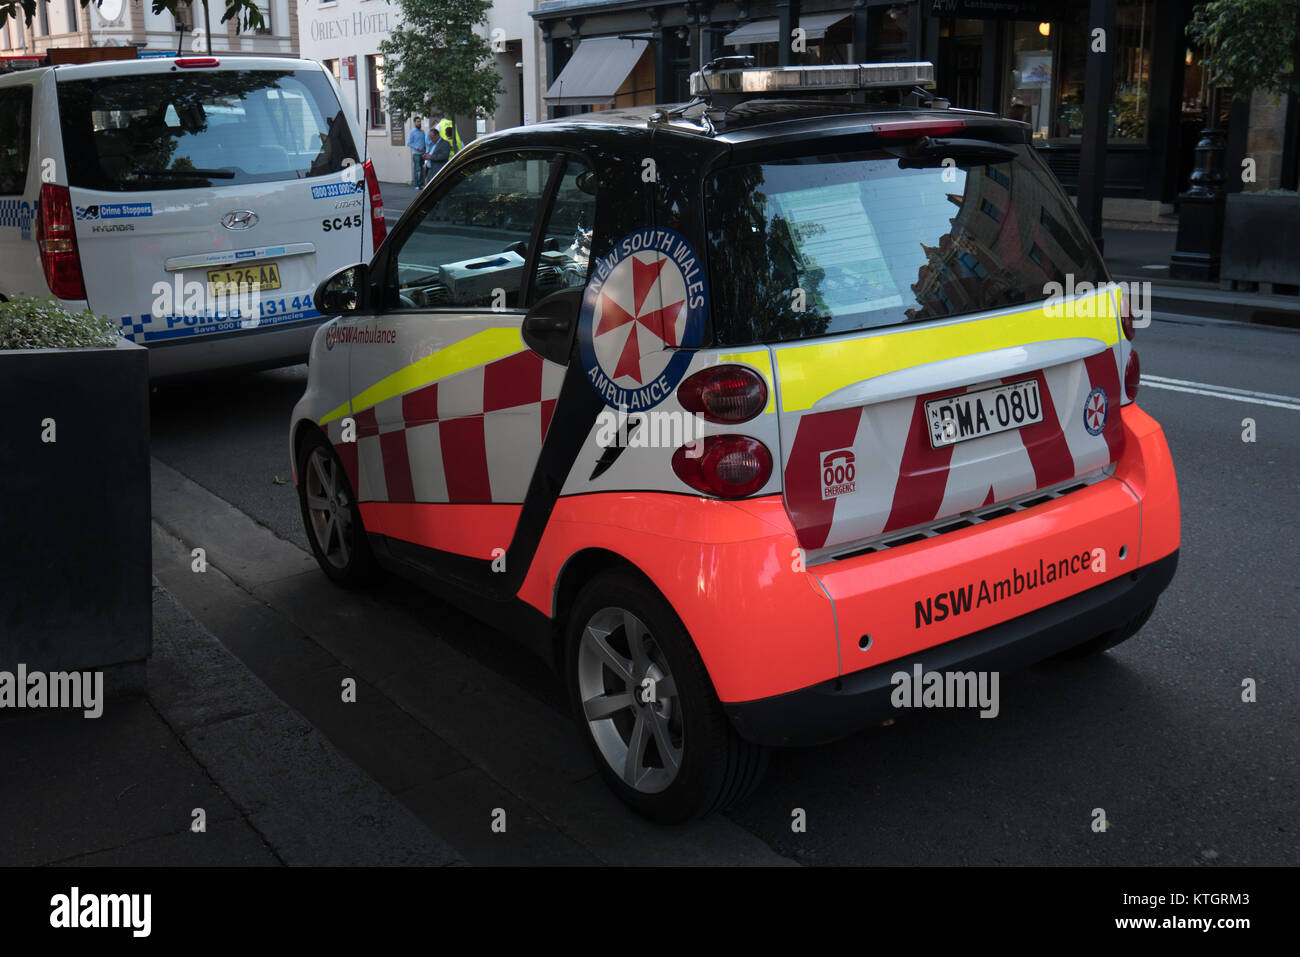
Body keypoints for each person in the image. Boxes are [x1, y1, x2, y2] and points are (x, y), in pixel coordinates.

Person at [407, 117, 427, 188]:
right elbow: (409, 143)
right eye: (418, 122)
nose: (419, 123)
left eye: (420, 121)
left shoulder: (422, 132)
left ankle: (421, 184)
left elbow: (424, 142)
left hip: (422, 154)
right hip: (416, 154)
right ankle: (416, 185)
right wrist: (417, 147)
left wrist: (425, 150)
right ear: (414, 123)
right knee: (417, 169)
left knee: (422, 169)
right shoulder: (412, 132)